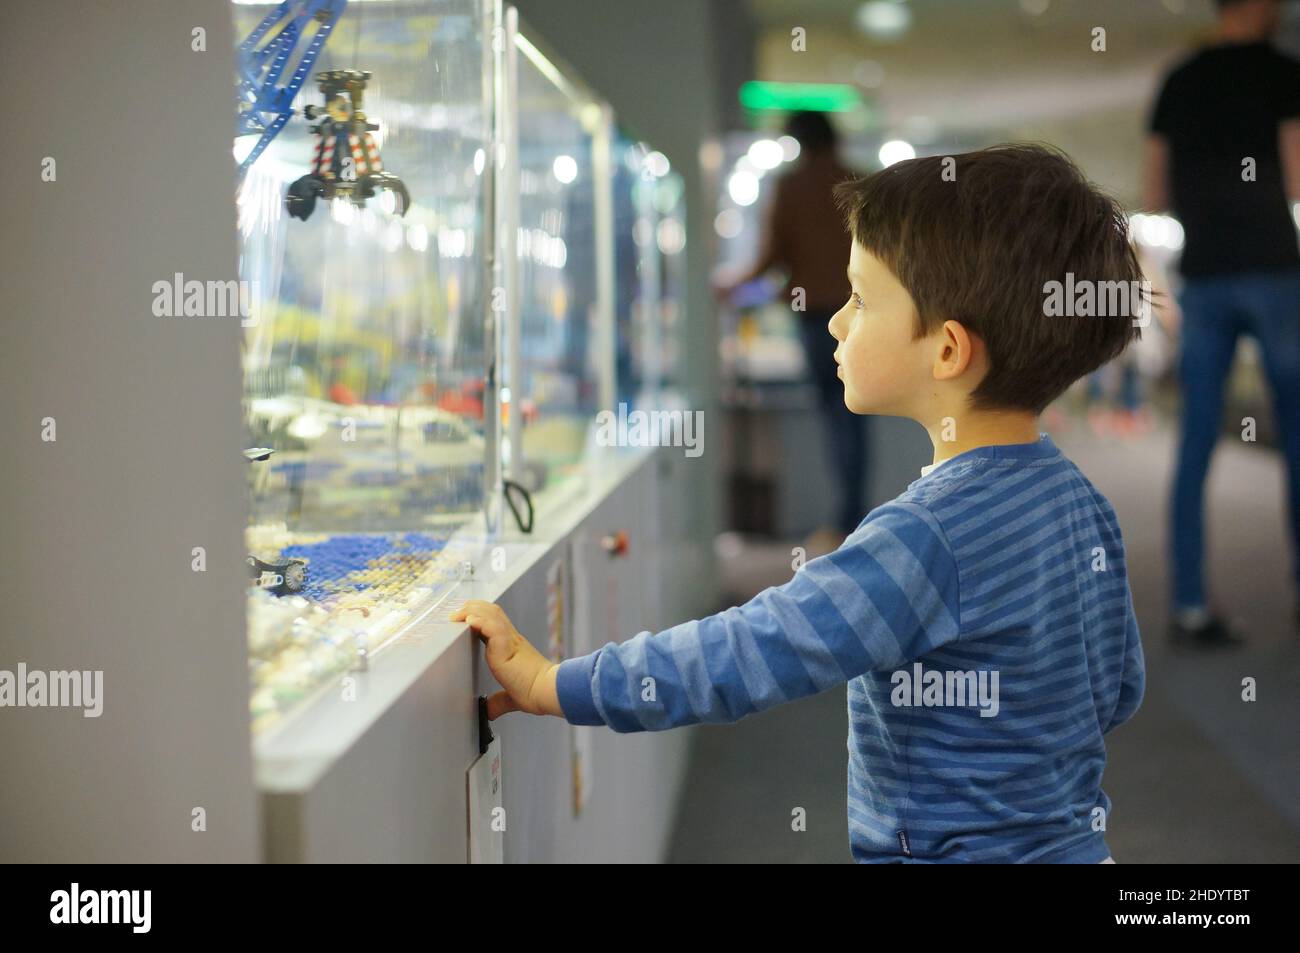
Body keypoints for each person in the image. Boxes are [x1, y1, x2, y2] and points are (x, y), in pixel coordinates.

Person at [454, 144, 1146, 864]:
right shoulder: (1082, 505)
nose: (836, 322)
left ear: (946, 352)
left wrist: (553, 684)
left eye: (861, 299)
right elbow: (1117, 687)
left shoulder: (924, 538)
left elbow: (753, 649)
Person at [1144, 0, 1300, 646]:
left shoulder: (1180, 79)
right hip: (1272, 266)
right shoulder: (1283, 72)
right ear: (1259, 6)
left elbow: (1154, 190)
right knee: (1297, 434)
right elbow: (1296, 174)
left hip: (1205, 272)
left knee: (1196, 440)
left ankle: (1187, 603)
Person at [720, 111, 866, 541]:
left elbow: (769, 259)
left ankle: (845, 518)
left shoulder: (792, 187)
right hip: (860, 311)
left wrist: (730, 285)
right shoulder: (859, 180)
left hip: (813, 316)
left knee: (834, 414)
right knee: (854, 416)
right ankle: (852, 514)